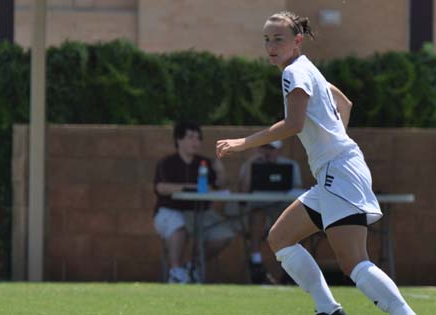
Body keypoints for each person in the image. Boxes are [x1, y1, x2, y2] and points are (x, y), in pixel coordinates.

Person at [216, 11, 415, 315]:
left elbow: (293, 125)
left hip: (339, 171)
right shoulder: (309, 68)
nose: (271, 45)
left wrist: (243, 143)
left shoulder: (293, 73)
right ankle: (328, 309)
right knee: (280, 238)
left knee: (354, 262)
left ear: (297, 41)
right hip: (335, 172)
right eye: (267, 39)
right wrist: (335, 148)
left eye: (278, 39)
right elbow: (344, 103)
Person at [153, 121, 235, 284]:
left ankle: (192, 267)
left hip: (200, 212)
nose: (195, 142)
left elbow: (217, 186)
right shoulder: (167, 163)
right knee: (178, 227)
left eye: (198, 138)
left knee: (225, 234)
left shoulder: (205, 163)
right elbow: (161, 187)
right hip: (171, 210)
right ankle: (175, 272)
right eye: (190, 137)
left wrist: (220, 172)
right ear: (178, 140)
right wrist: (190, 187)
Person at [238, 140, 303, 284]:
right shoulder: (249, 165)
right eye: (264, 148)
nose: (267, 152)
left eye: (271, 149)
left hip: (282, 210)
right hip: (257, 209)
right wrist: (250, 165)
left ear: (279, 150)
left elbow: (297, 192)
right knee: (257, 215)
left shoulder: (290, 165)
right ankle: (256, 261)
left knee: (296, 221)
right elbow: (242, 195)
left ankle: (290, 270)